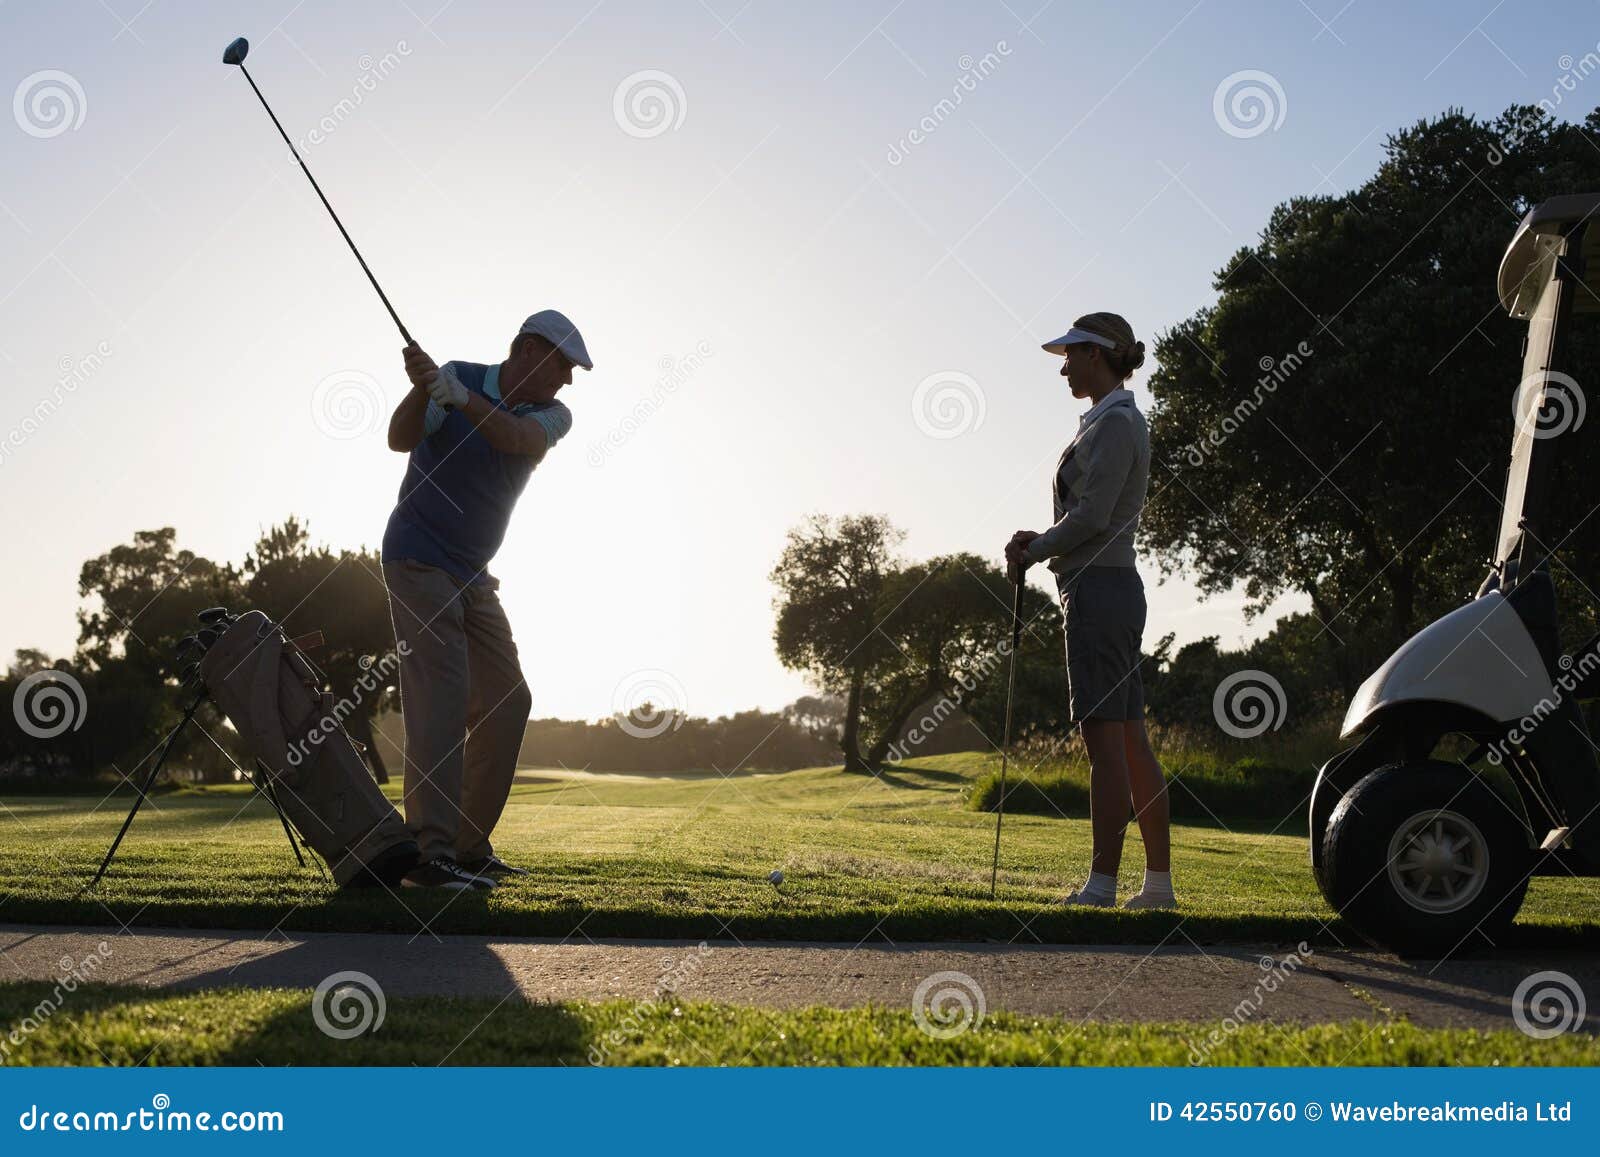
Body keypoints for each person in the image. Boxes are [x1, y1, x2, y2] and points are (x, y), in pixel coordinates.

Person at [382, 310, 592, 891]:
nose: (569, 381)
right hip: (418, 557)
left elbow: (515, 438)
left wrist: (459, 399)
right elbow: (400, 437)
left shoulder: (553, 416)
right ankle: (431, 857)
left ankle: (469, 849)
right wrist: (422, 389)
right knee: (442, 695)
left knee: (508, 700)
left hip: (474, 574)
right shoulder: (456, 377)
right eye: (563, 365)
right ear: (527, 350)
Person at [1005, 312, 1175, 910]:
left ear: (1098, 355)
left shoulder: (1114, 425)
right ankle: (1157, 889)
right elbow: (1087, 515)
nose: (1064, 365)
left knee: (1106, 742)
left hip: (1099, 592)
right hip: (1109, 588)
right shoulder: (1110, 421)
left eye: (1072, 354)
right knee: (1129, 740)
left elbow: (1093, 518)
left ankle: (1103, 885)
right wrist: (1046, 540)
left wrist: (1035, 550)